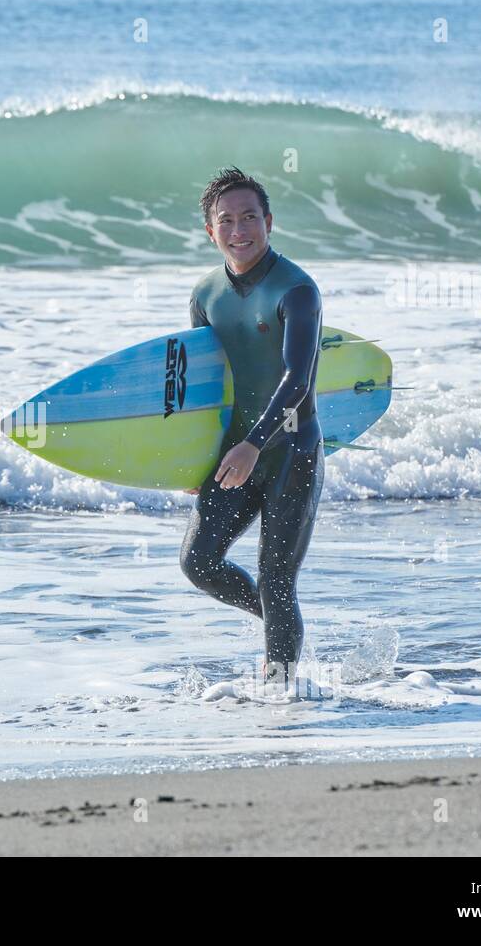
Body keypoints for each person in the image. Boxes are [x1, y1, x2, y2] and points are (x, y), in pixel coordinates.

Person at [180, 167, 324, 695]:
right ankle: (278, 625)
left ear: (269, 221)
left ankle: (282, 693)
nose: (239, 229)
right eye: (226, 220)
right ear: (210, 232)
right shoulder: (205, 295)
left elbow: (298, 379)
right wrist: (197, 461)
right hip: (236, 451)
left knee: (277, 577)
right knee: (198, 563)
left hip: (291, 451)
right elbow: (205, 389)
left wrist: (252, 444)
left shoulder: (297, 290)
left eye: (249, 217)